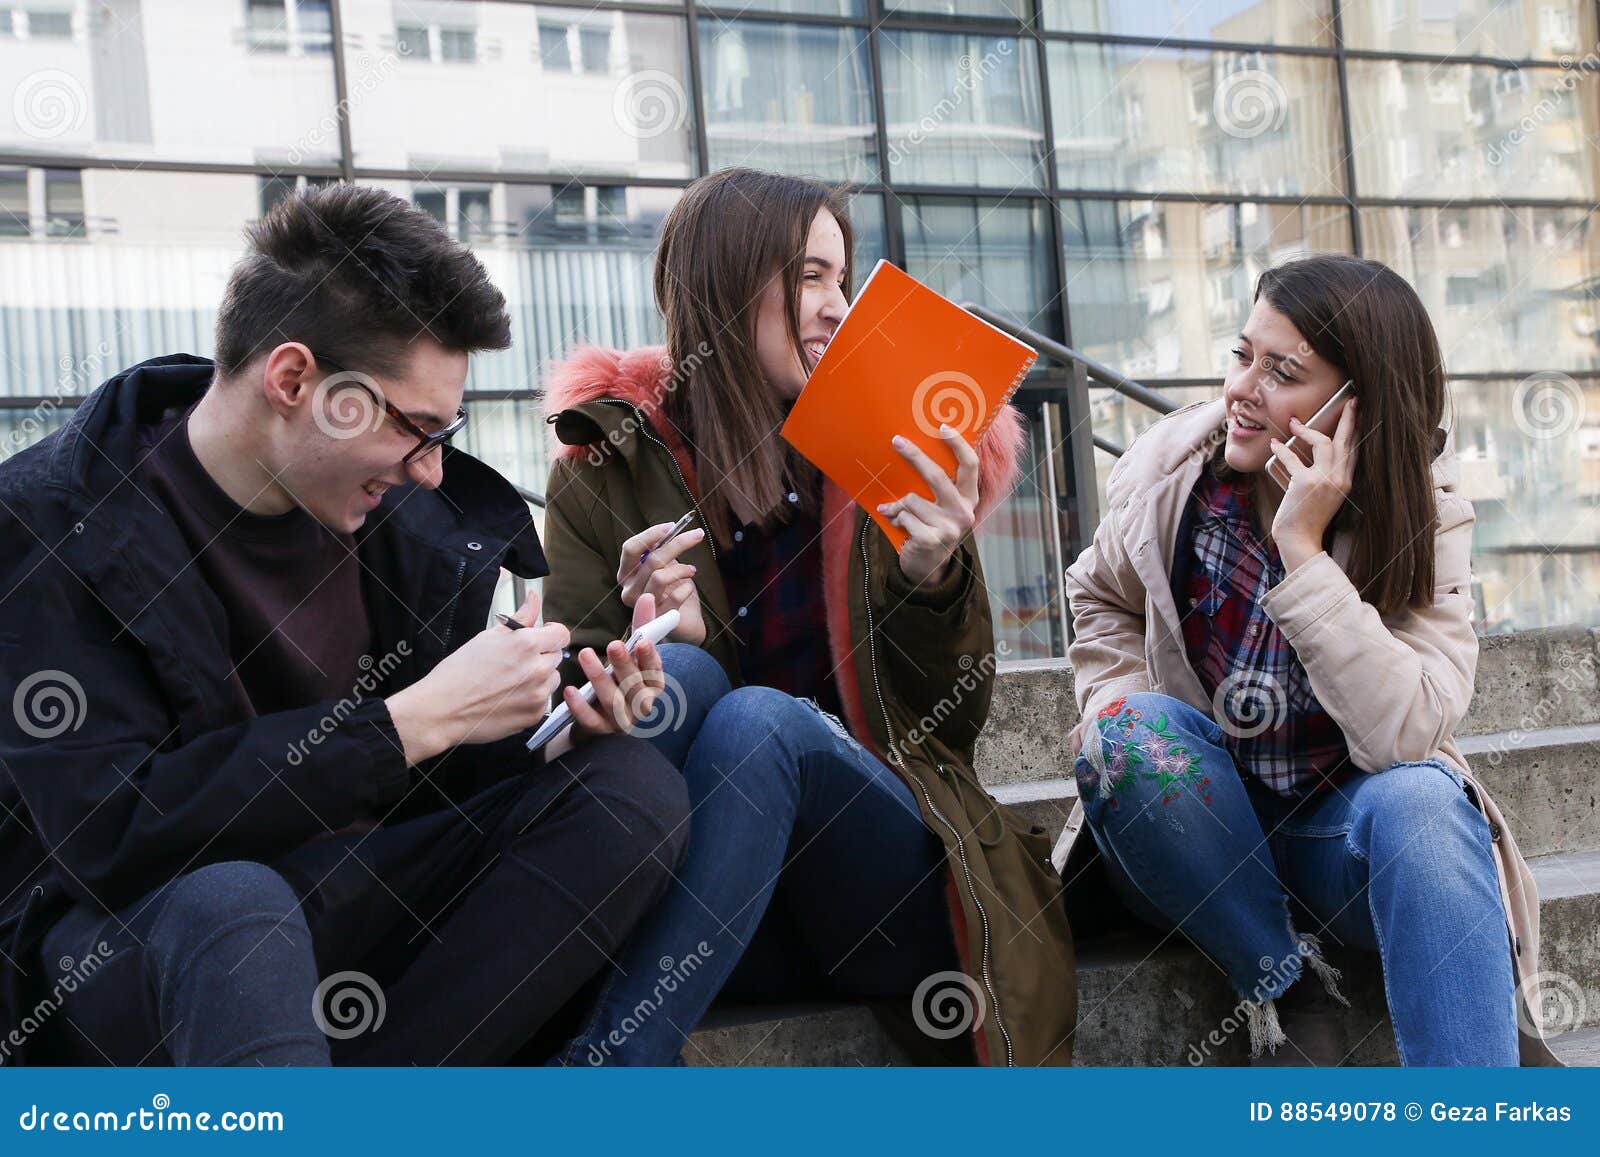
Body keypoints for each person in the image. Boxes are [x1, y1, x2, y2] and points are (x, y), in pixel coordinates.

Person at [0, 184, 689, 1067]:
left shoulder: (400, 521)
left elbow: (413, 784)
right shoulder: (55, 523)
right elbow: (112, 834)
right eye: (419, 430)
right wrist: (415, 719)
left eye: (451, 429)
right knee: (237, 907)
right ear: (294, 381)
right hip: (140, 944)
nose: (436, 472)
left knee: (628, 793)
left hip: (348, 898)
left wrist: (539, 729)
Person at [538, 167, 1075, 1067]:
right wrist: (638, 644)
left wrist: (931, 576)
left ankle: (609, 1073)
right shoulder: (606, 464)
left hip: (881, 885)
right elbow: (574, 731)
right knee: (696, 681)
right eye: (809, 277)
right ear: (723, 284)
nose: (837, 307)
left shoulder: (889, 437)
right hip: (718, 906)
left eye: (842, 277)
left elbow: (956, 719)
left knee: (755, 719)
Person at [1058, 254, 1559, 1066]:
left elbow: (1409, 731)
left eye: (1282, 372)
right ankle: (1287, 990)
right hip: (1200, 835)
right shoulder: (1172, 472)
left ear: (1354, 403)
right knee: (1130, 729)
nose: (1242, 389)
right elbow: (1099, 595)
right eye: (1241, 354)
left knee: (1427, 802)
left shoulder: (1425, 519)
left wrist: (1303, 551)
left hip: (1338, 838)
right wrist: (1120, 698)